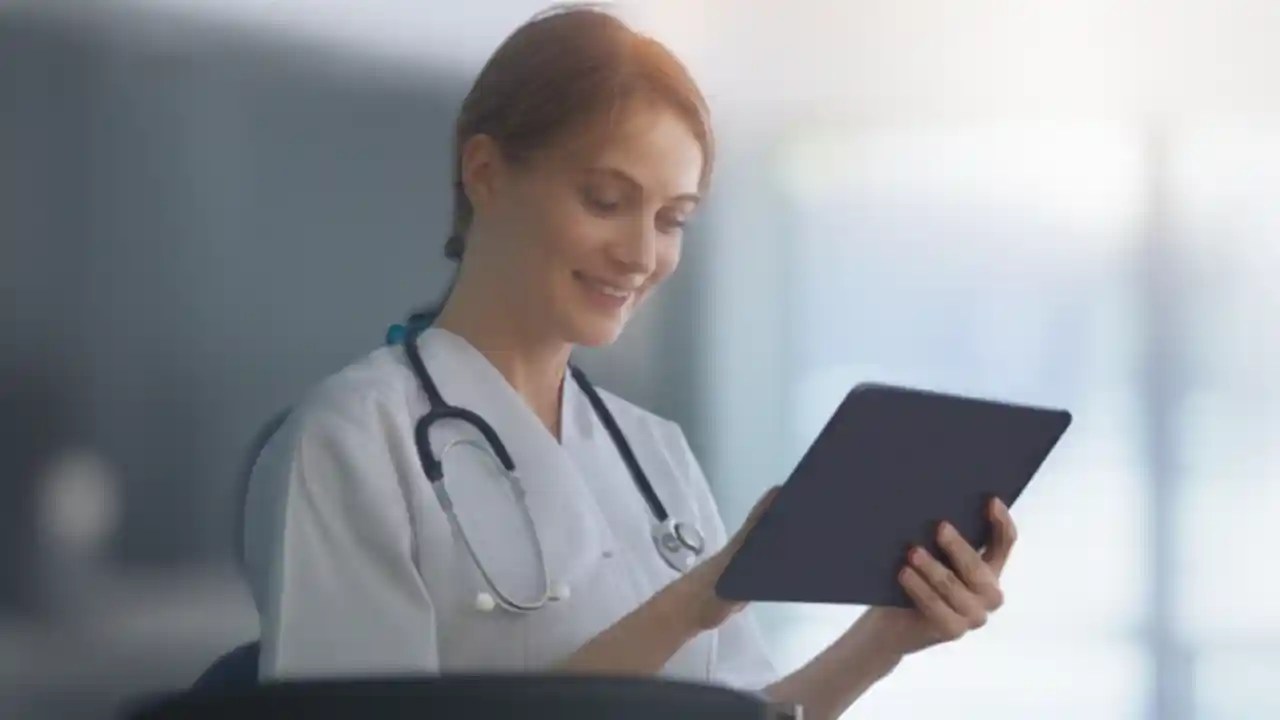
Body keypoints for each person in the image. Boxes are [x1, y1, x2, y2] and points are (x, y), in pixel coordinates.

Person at [242, 6, 1018, 719]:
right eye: (606, 202)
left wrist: (884, 638)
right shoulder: (351, 440)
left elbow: (745, 713)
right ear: (486, 174)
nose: (643, 255)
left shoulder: (656, 455)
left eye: (672, 219)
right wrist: (693, 603)